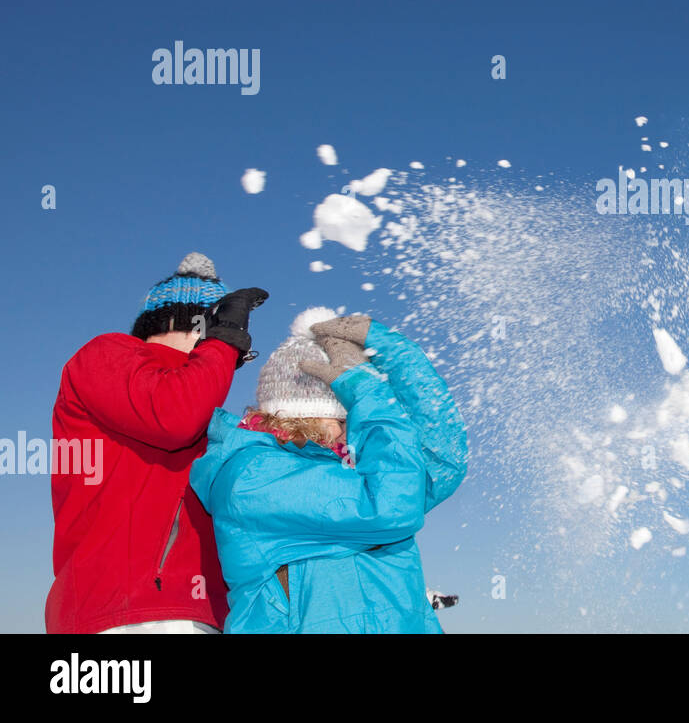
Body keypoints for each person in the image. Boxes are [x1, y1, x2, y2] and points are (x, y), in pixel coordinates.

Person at [190, 309, 468, 633]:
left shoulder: (364, 473)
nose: (352, 430)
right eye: (343, 419)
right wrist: (366, 390)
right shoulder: (253, 477)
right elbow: (390, 507)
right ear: (304, 415)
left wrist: (390, 350)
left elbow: (445, 458)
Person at [46, 253, 268, 634]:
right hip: (132, 614)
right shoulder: (105, 357)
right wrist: (222, 342)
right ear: (202, 323)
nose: (235, 363)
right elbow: (174, 417)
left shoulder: (204, 408)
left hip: (199, 614)